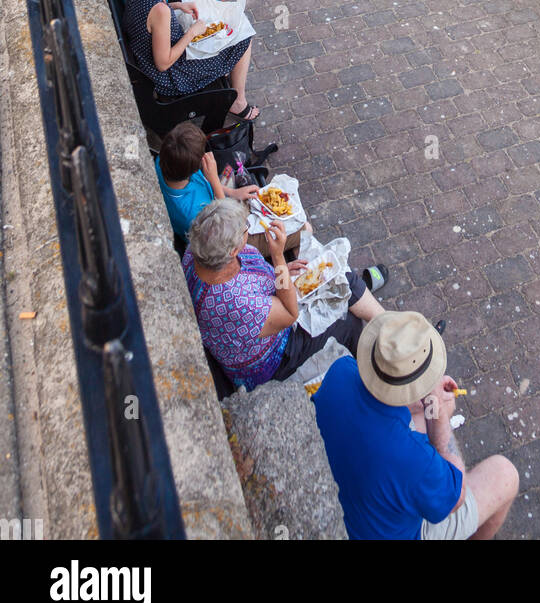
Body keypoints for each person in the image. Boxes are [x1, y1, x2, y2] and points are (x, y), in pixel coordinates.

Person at [314, 310, 519, 541]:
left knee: (419, 420)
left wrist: (429, 402)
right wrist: (440, 417)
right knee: (505, 474)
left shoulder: (341, 371)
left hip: (342, 499)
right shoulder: (416, 462)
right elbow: (455, 497)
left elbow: (382, 407)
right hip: (388, 533)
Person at [183, 197, 387, 389]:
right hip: (271, 360)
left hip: (265, 303)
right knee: (348, 321)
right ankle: (379, 378)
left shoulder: (195, 252)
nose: (248, 229)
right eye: (245, 228)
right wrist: (278, 257)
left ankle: (388, 327)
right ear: (232, 251)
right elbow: (290, 314)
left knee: (341, 279)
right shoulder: (239, 302)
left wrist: (281, 271)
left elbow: (251, 279)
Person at [122, 0, 258, 119]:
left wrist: (177, 5)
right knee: (244, 39)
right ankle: (238, 102)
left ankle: (229, 75)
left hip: (140, 53)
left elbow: (147, 15)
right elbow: (163, 64)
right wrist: (192, 33)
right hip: (169, 77)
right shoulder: (160, 12)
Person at [155, 121, 258, 241]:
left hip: (216, 209)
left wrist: (232, 192)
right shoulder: (195, 212)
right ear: (195, 169)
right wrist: (214, 180)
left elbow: (202, 183)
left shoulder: (163, 160)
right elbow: (230, 225)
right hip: (215, 233)